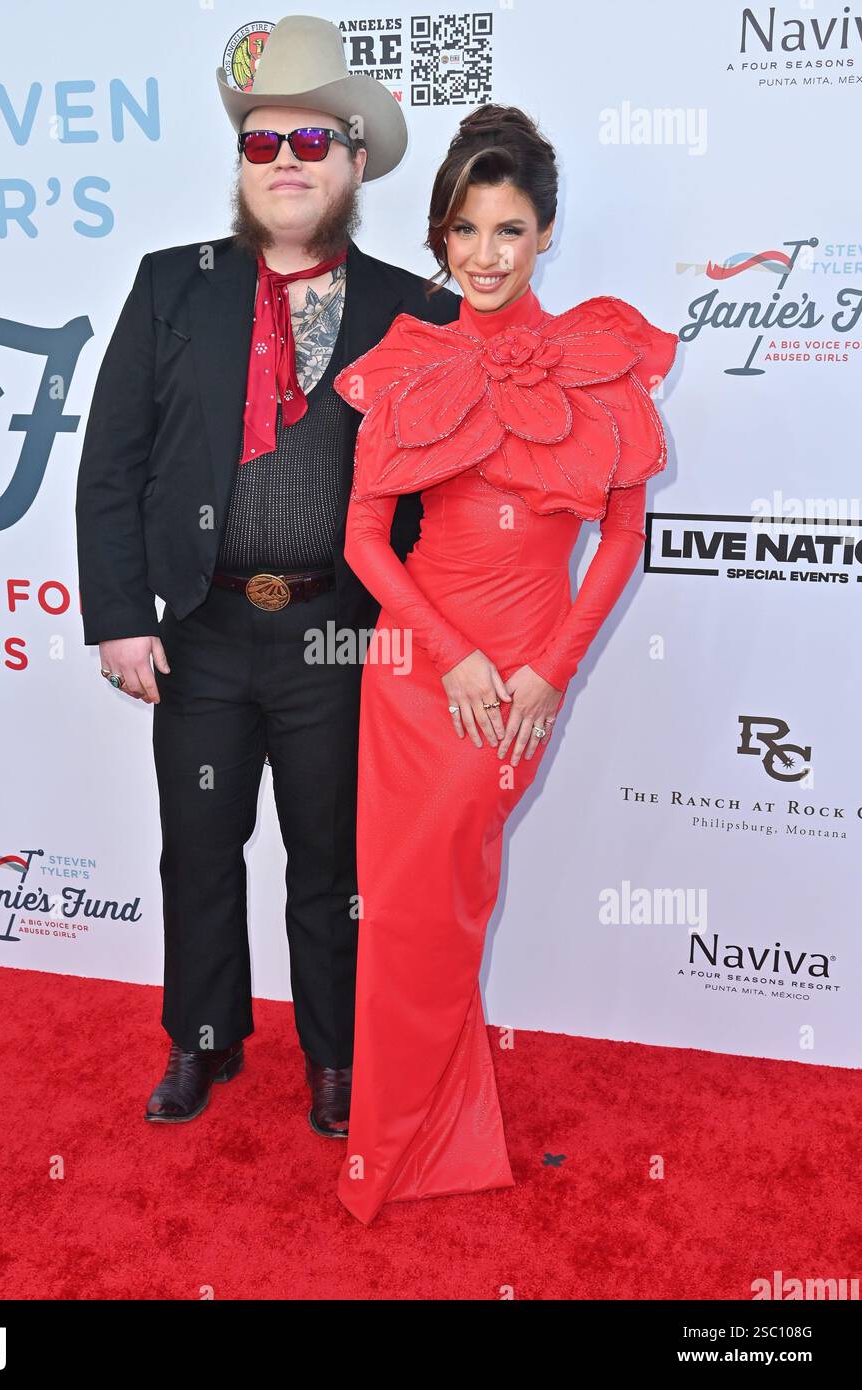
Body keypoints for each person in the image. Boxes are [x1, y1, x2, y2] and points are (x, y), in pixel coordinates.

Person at [74, 15, 461, 1137]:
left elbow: (435, 497)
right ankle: (203, 1041)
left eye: (309, 144)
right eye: (260, 145)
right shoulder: (170, 287)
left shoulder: (413, 308)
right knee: (197, 846)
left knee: (331, 861)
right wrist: (117, 617)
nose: (284, 163)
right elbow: (113, 466)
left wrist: (415, 636)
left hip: (338, 638)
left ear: (350, 163)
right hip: (197, 625)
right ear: (241, 166)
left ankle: (334, 1058)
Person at [330, 104, 680, 1224]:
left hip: (519, 679)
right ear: (438, 234)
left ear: (544, 236)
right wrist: (453, 658)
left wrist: (545, 673)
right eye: (466, 230)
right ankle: (406, 1141)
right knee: (396, 911)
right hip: (417, 674)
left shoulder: (596, 360)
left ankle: (422, 1131)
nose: (485, 256)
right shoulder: (411, 361)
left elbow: (621, 538)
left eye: (510, 231)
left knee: (449, 900)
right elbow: (361, 538)